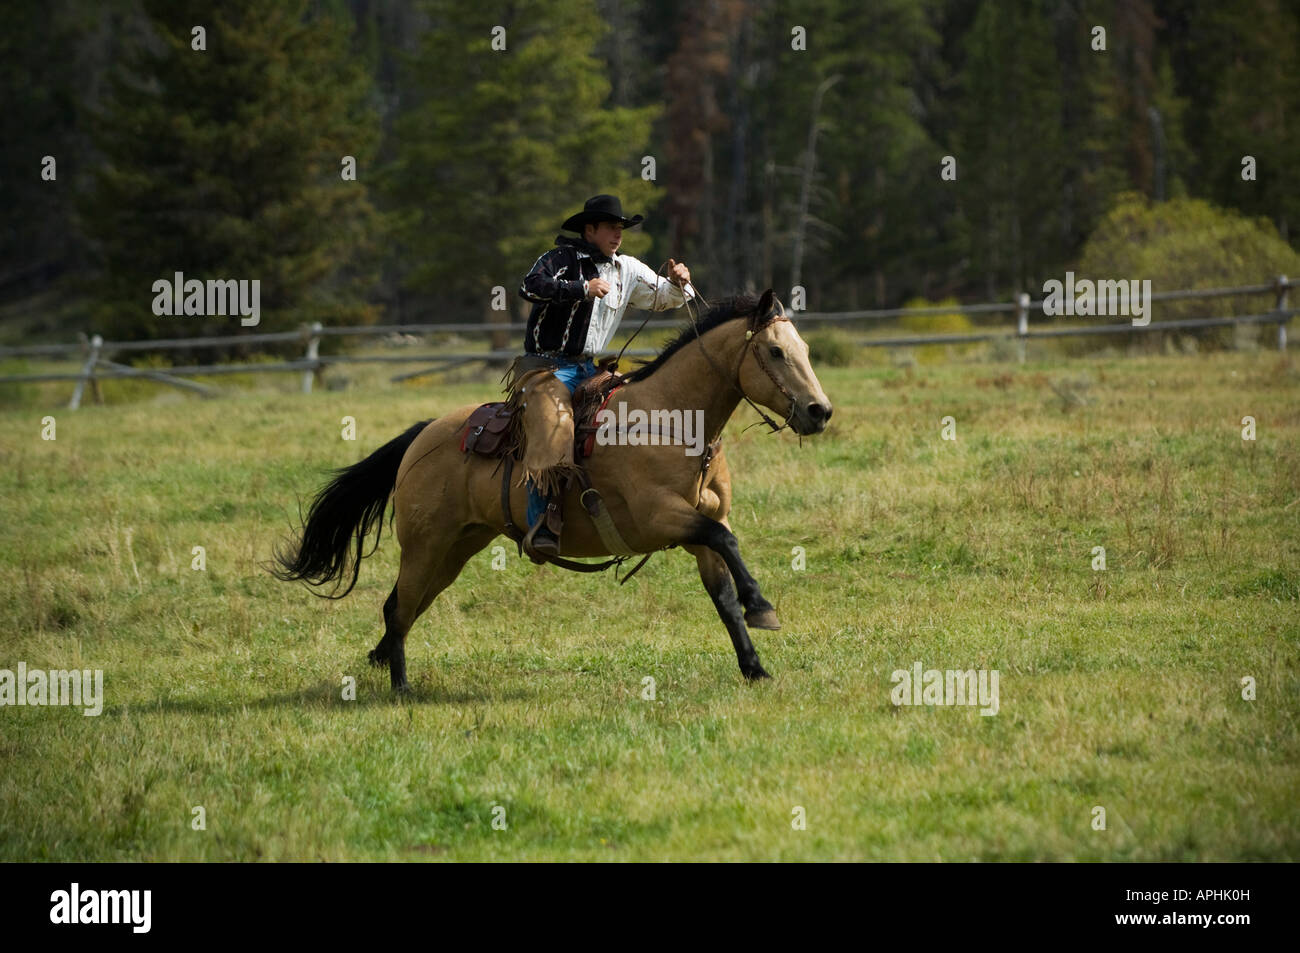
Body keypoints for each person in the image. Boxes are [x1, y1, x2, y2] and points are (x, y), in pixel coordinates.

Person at [514, 194, 693, 558]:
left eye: (621, 228)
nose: (618, 234)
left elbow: (664, 298)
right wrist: (581, 288)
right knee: (555, 427)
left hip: (590, 369)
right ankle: (543, 523)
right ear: (590, 229)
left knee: (635, 411)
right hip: (544, 367)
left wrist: (678, 283)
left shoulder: (627, 268)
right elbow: (529, 286)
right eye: (611, 227)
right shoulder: (559, 259)